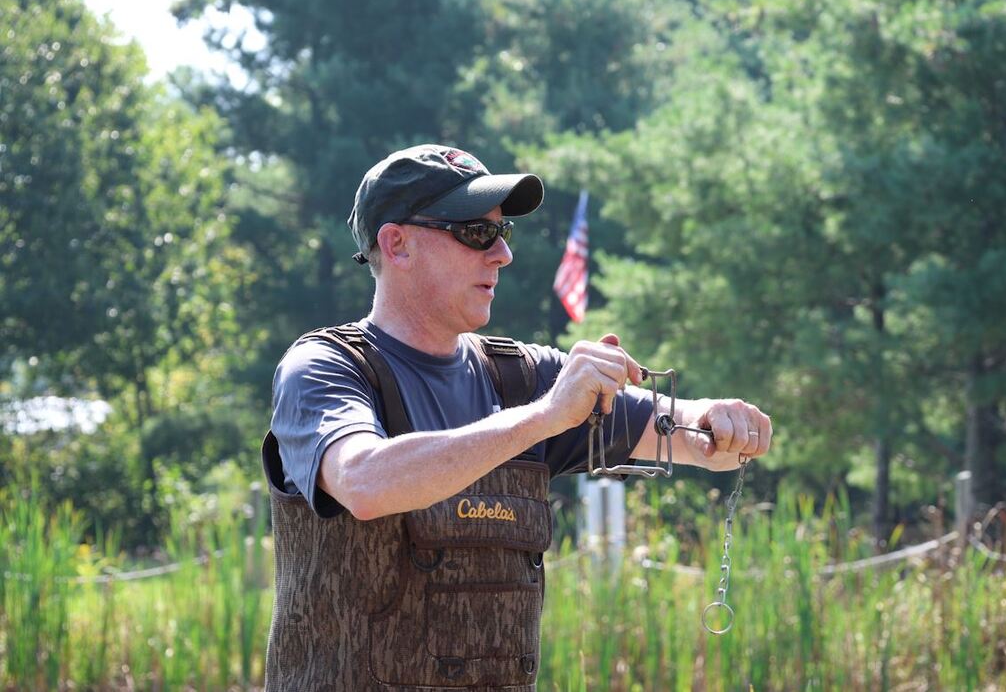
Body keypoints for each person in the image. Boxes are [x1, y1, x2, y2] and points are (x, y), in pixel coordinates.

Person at [261, 144, 772, 691]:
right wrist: (546, 416)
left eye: (503, 232)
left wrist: (717, 423)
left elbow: (687, 435)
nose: (502, 253)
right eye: (476, 233)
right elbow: (363, 481)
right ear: (398, 244)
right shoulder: (324, 368)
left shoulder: (520, 377)